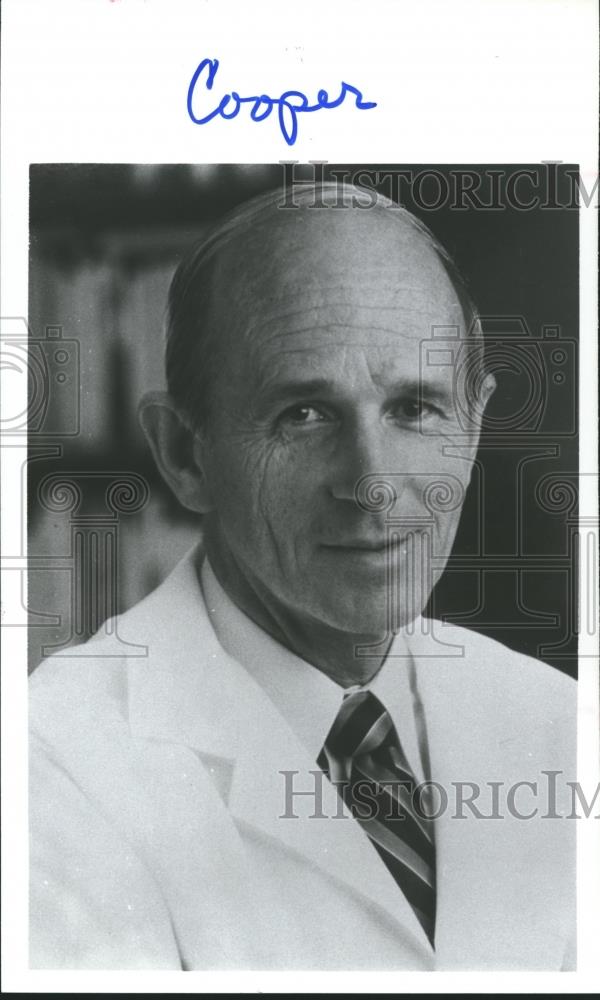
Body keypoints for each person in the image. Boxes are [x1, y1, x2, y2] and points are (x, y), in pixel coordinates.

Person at [29, 183, 576, 970]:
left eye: (415, 409)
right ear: (184, 456)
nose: (372, 484)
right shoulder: (53, 762)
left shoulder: (561, 724)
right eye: (304, 415)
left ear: (475, 426)